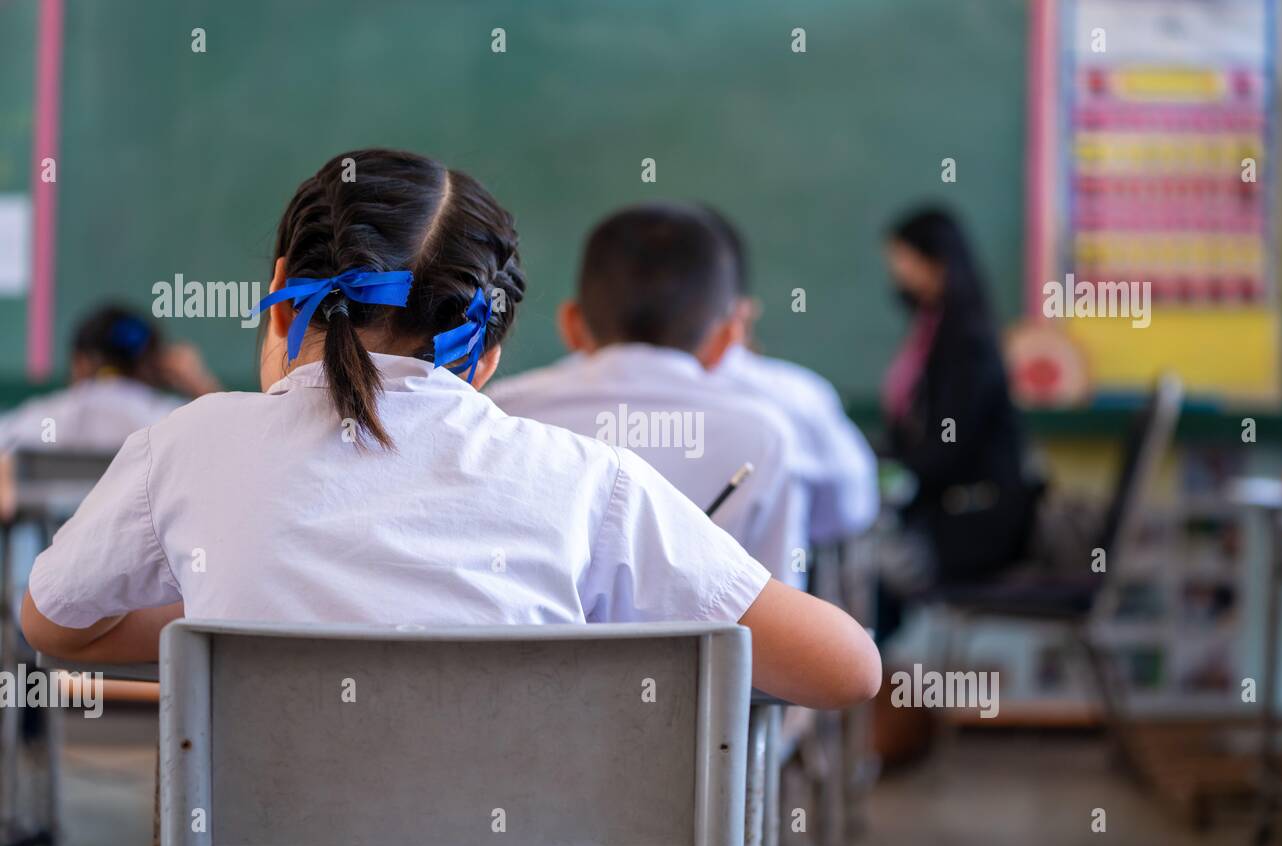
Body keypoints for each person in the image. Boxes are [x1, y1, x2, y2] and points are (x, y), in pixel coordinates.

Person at [20, 149, 878, 709]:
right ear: (489, 349)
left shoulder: (186, 445)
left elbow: (54, 623)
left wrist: (219, 632)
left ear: (282, 286)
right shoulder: (586, 481)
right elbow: (849, 669)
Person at [490, 202, 809, 587]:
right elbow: (783, 591)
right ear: (726, 338)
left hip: (536, 647)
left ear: (572, 325)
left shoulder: (503, 412)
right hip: (712, 648)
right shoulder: (764, 434)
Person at [876, 207, 1037, 638]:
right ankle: (849, 687)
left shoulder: (966, 341)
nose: (896, 273)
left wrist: (889, 480)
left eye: (903, 260)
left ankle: (848, 683)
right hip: (946, 510)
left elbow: (948, 447)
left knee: (872, 574)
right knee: (861, 564)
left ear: (935, 262)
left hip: (976, 520)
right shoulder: (933, 329)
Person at [700, 206, 879, 546]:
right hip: (776, 595)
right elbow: (853, 508)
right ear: (740, 315)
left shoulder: (565, 395)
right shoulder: (795, 398)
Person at [0, 304, 219, 454]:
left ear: (80, 362)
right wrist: (200, 384)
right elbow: (226, 442)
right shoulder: (170, 422)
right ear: (154, 366)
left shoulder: (47, 421)